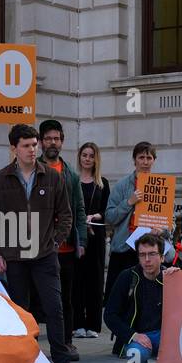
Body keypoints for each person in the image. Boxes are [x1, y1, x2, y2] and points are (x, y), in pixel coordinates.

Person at [0, 124, 92, 363]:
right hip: (15, 257)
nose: (32, 150)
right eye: (26, 145)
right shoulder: (0, 179)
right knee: (21, 311)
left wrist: (55, 241)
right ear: (14, 148)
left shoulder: (53, 177)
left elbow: (66, 214)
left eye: (35, 144)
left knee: (55, 309)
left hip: (45, 255)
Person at [39, 119, 87, 359]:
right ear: (40, 142)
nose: (52, 142)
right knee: (39, 299)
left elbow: (79, 208)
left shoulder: (71, 175)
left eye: (56, 138)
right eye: (48, 138)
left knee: (65, 299)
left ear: (62, 142)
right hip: (39, 247)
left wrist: (82, 242)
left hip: (66, 248)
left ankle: (66, 343)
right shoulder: (31, 170)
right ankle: (33, 344)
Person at [104, 233, 178, 363]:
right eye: (142, 255)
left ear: (162, 257)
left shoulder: (170, 278)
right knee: (135, 354)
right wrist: (133, 335)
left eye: (152, 254)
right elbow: (110, 315)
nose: (147, 260)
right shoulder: (127, 277)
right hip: (138, 335)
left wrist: (181, 278)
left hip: (164, 335)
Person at [105, 141, 161, 302]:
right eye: (141, 157)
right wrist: (129, 202)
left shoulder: (161, 185)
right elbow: (109, 216)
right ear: (134, 160)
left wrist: (163, 229)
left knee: (146, 297)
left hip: (150, 247)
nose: (145, 161)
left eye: (149, 158)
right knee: (119, 296)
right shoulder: (122, 185)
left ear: (153, 160)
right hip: (124, 247)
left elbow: (170, 221)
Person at [73, 141, 110, 339]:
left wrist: (94, 216)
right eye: (84, 155)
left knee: (95, 280)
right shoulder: (73, 180)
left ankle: (93, 324)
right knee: (77, 280)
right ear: (80, 157)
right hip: (78, 236)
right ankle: (77, 323)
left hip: (96, 236)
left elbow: (107, 212)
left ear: (96, 159)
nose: (87, 159)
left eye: (91, 155)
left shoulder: (102, 183)